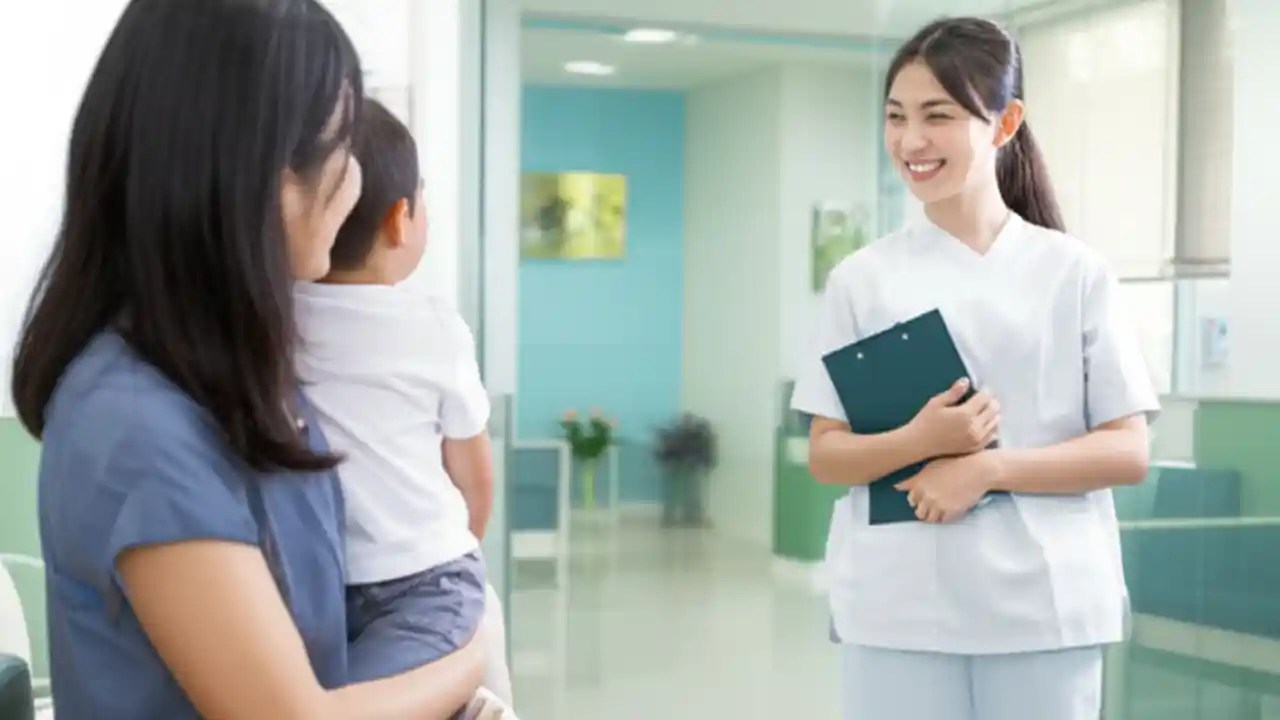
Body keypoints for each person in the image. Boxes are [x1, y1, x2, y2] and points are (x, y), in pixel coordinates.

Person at [10, 0, 486, 716]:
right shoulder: (136, 425)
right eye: (338, 147)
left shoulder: (240, 374)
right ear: (250, 174)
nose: (353, 182)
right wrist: (473, 646)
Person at [791, 17, 1158, 720]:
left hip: (1043, 608)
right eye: (896, 117)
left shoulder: (1073, 273)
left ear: (1005, 121)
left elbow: (1128, 447)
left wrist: (986, 469)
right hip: (899, 607)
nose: (910, 140)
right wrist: (924, 441)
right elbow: (828, 456)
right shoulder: (862, 280)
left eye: (939, 115)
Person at [293, 99, 515, 712]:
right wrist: (452, 545)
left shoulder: (275, 317)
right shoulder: (434, 325)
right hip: (430, 581)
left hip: (330, 583)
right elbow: (474, 473)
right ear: (401, 219)